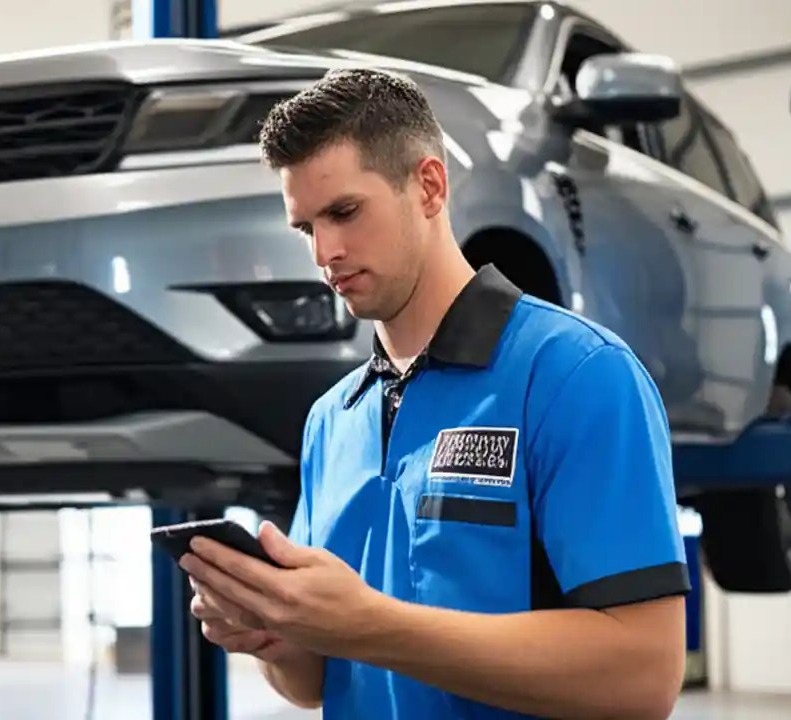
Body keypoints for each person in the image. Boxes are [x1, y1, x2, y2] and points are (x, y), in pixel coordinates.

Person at [177, 67, 691, 719]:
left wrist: (371, 625)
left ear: (428, 185)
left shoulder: (575, 375)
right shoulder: (332, 420)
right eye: (306, 227)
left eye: (344, 211)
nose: (324, 253)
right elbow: (313, 684)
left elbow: (643, 678)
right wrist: (273, 638)